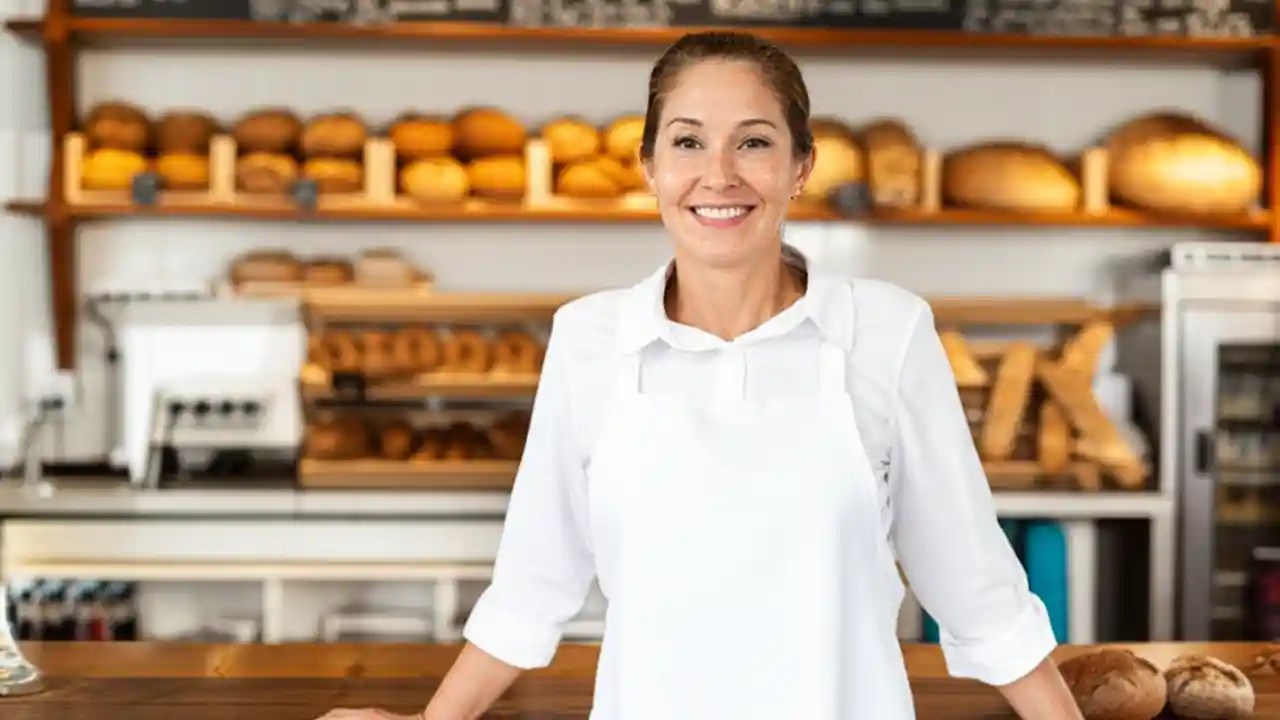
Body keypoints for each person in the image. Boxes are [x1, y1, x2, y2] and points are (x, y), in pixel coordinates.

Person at [318, 30, 1084, 720]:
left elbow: (977, 591)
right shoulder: (589, 338)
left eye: (753, 143)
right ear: (649, 166)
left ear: (800, 167)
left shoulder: (887, 331)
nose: (718, 175)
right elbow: (532, 588)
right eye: (688, 143)